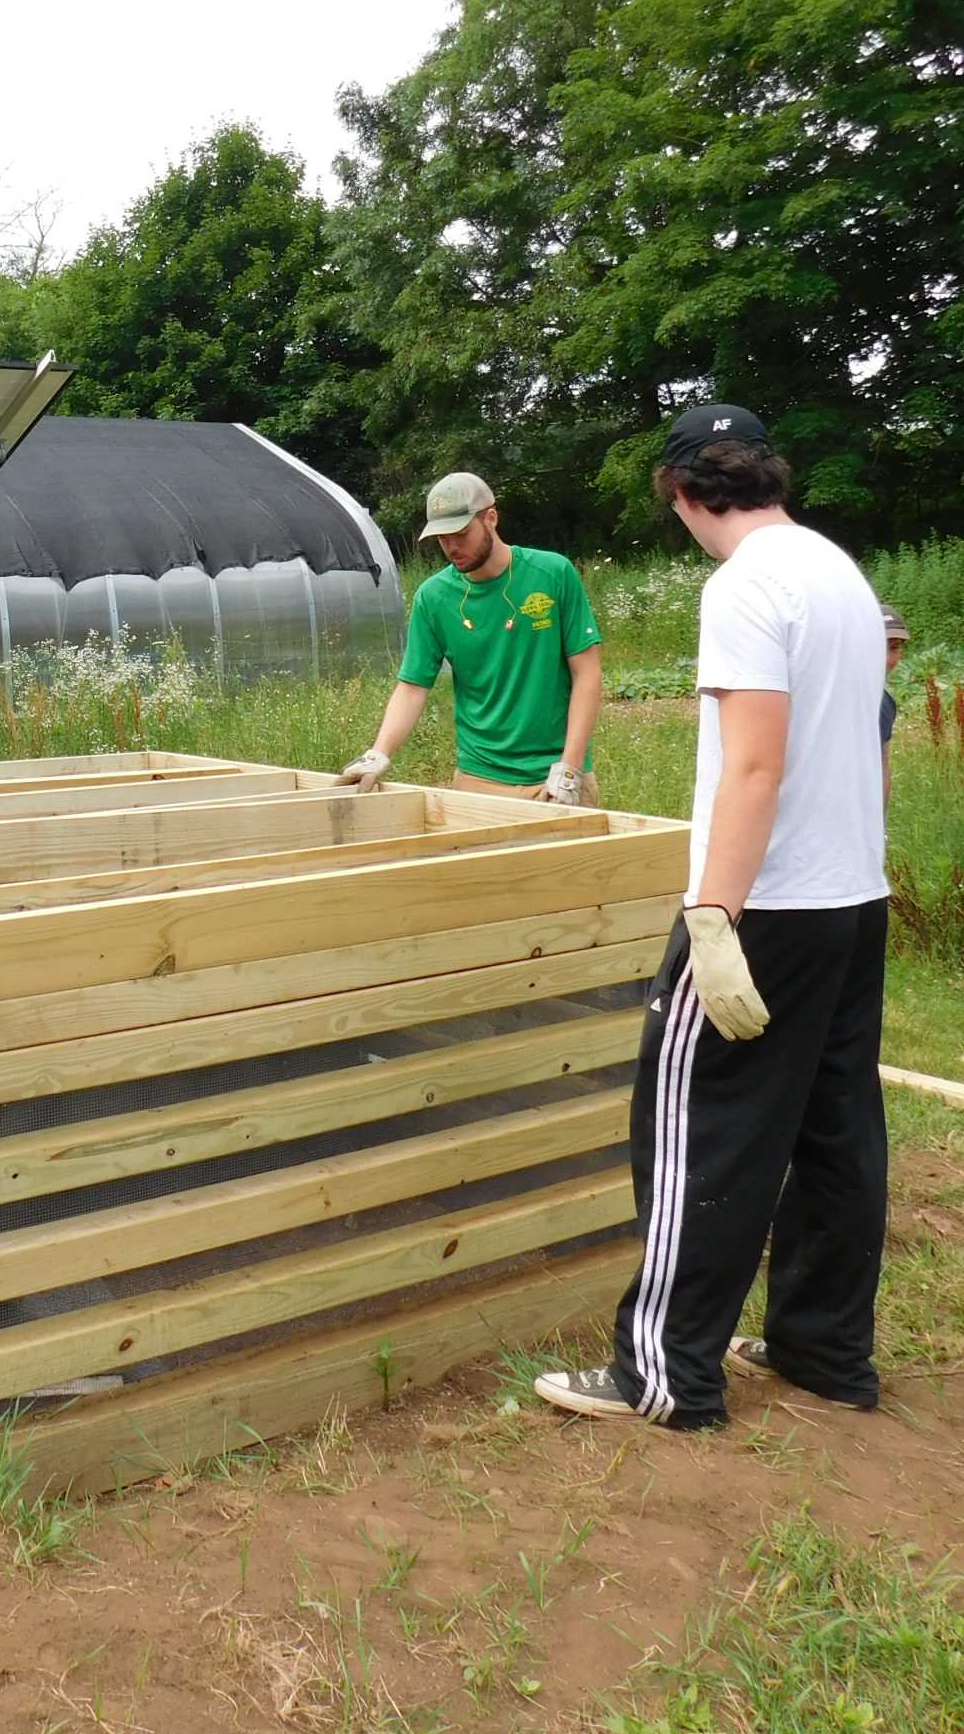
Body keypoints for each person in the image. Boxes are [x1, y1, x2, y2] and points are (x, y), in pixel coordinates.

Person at [533, 404, 891, 1429]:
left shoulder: (744, 585)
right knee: (835, 1128)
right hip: (850, 899)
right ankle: (823, 1349)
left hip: (767, 907)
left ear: (684, 494)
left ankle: (664, 1372)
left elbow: (754, 765)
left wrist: (713, 918)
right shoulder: (836, 569)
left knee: (695, 1126)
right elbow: (867, 739)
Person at [337, 471, 603, 804]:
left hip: (557, 775)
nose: (452, 547)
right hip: (479, 778)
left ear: (490, 518)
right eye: (442, 538)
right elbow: (413, 686)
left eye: (461, 534)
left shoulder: (552, 574)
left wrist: (569, 769)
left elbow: (587, 672)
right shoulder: (433, 598)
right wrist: (379, 754)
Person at [879, 603, 908, 806]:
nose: (888, 659)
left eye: (894, 647)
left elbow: (882, 765)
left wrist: (878, 817)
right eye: (880, 646)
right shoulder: (827, 700)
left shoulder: (886, 704)